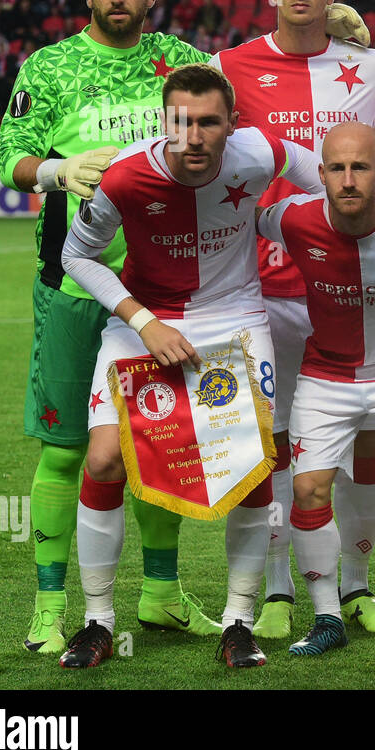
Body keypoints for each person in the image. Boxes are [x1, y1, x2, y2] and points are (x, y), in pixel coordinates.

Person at [57, 63, 324, 668]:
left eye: (209, 123)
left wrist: (293, 223)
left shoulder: (258, 152)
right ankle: (97, 620)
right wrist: (143, 321)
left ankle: (239, 621)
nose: (194, 136)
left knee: (253, 469)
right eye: (181, 122)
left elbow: (323, 177)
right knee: (102, 457)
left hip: (233, 318)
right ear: (164, 121)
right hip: (143, 322)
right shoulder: (125, 177)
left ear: (233, 124)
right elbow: (78, 255)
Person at [0, 0, 214, 658]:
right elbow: (9, 157)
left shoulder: (183, 62)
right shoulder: (49, 66)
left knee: (156, 444)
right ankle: (49, 605)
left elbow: (235, 116)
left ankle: (159, 594)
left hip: (161, 293)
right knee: (67, 453)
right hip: (72, 286)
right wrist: (57, 172)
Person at [210, 0, 375, 641]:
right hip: (258, 289)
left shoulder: (369, 67)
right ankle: (275, 590)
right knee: (272, 445)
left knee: (360, 442)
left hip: (355, 286)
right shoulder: (227, 67)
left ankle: (355, 587)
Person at [256, 124, 375, 660]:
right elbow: (227, 212)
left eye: (360, 167)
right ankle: (326, 618)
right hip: (327, 376)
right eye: (336, 169)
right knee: (308, 489)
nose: (348, 179)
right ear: (319, 175)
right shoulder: (292, 217)